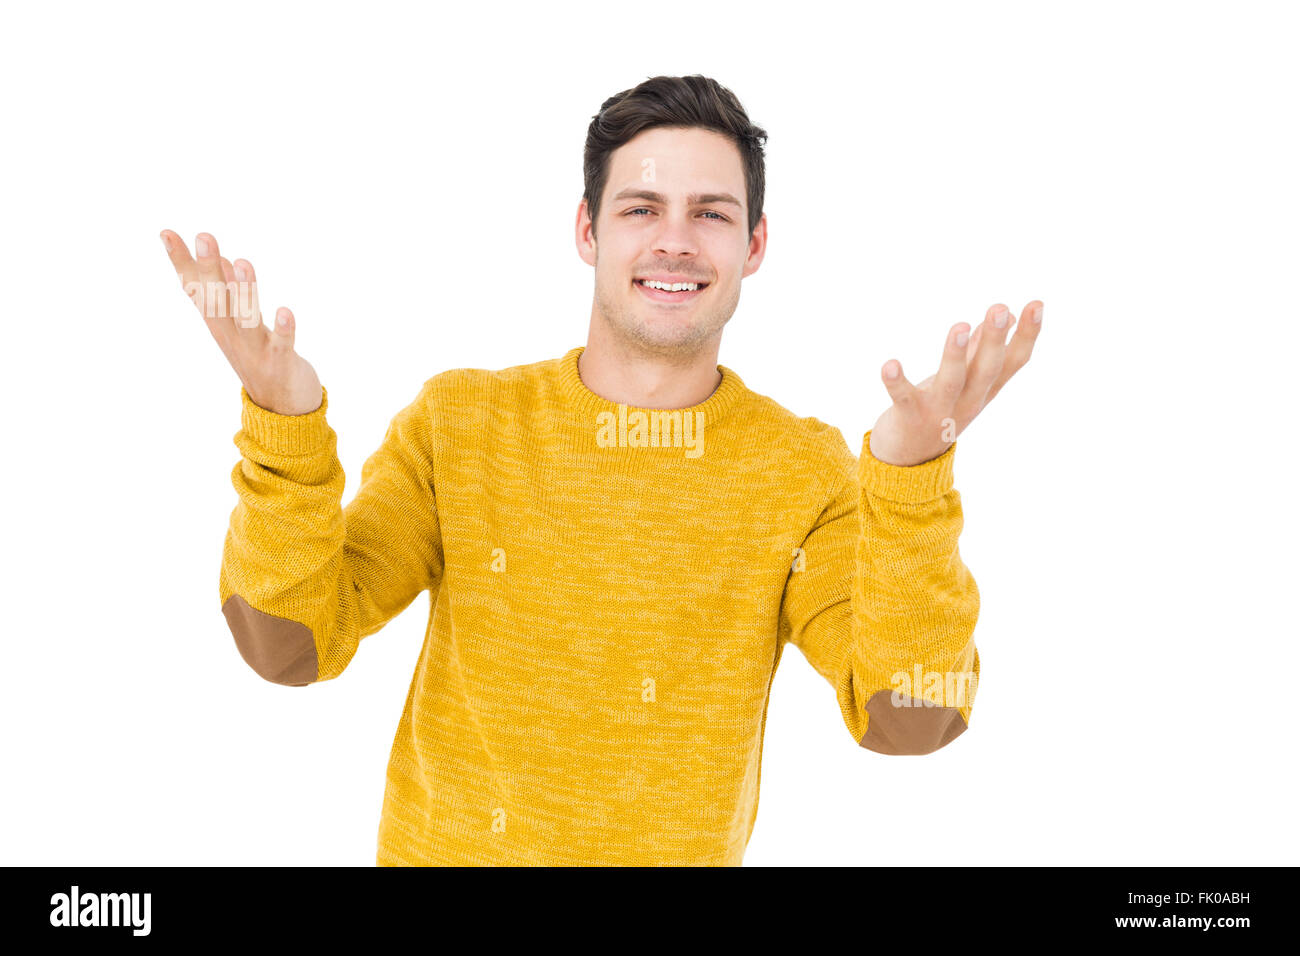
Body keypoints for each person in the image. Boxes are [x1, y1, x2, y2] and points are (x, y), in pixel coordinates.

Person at [160, 74, 1042, 866]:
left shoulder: (802, 472)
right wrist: (284, 428)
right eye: (640, 208)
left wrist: (911, 481)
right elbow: (292, 643)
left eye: (711, 212)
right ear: (587, 229)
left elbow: (911, 716)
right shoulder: (461, 423)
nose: (675, 241)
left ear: (755, 244)